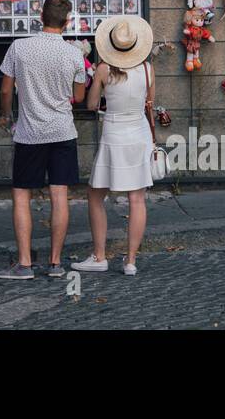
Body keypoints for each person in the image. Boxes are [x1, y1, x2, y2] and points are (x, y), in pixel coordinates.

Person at [0, 0, 87, 280]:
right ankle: (55, 263)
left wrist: (6, 115)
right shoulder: (74, 53)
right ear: (67, 21)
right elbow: (79, 96)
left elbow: (6, 90)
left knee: (22, 194)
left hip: (29, 133)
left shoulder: (19, 48)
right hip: (62, 131)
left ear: (40, 17)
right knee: (59, 195)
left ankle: (24, 264)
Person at [72, 15, 157, 277]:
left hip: (114, 133)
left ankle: (99, 256)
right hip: (140, 132)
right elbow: (150, 104)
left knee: (96, 194)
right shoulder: (147, 69)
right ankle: (130, 260)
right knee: (137, 199)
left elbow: (91, 104)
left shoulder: (103, 69)